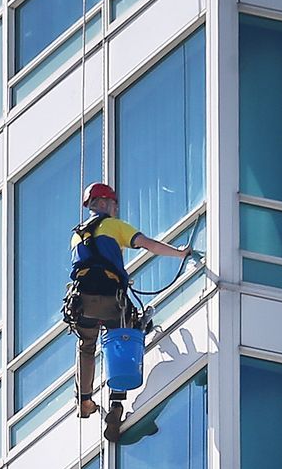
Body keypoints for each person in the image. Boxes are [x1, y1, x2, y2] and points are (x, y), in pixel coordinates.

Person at [65, 182, 191, 442]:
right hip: (112, 299)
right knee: (124, 339)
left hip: (82, 301)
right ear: (102, 203)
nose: (115, 208)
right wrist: (179, 253)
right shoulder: (114, 226)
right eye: (112, 204)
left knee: (87, 345)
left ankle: (85, 401)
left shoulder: (76, 236)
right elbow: (148, 245)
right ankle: (116, 403)